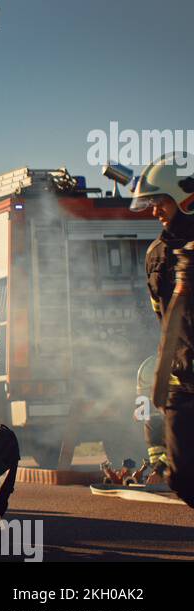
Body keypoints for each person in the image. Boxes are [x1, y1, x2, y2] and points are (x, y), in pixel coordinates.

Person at [134, 152, 194, 506]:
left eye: (161, 202)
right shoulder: (157, 254)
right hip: (181, 379)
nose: (155, 211)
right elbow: (163, 318)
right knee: (183, 480)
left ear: (185, 201)